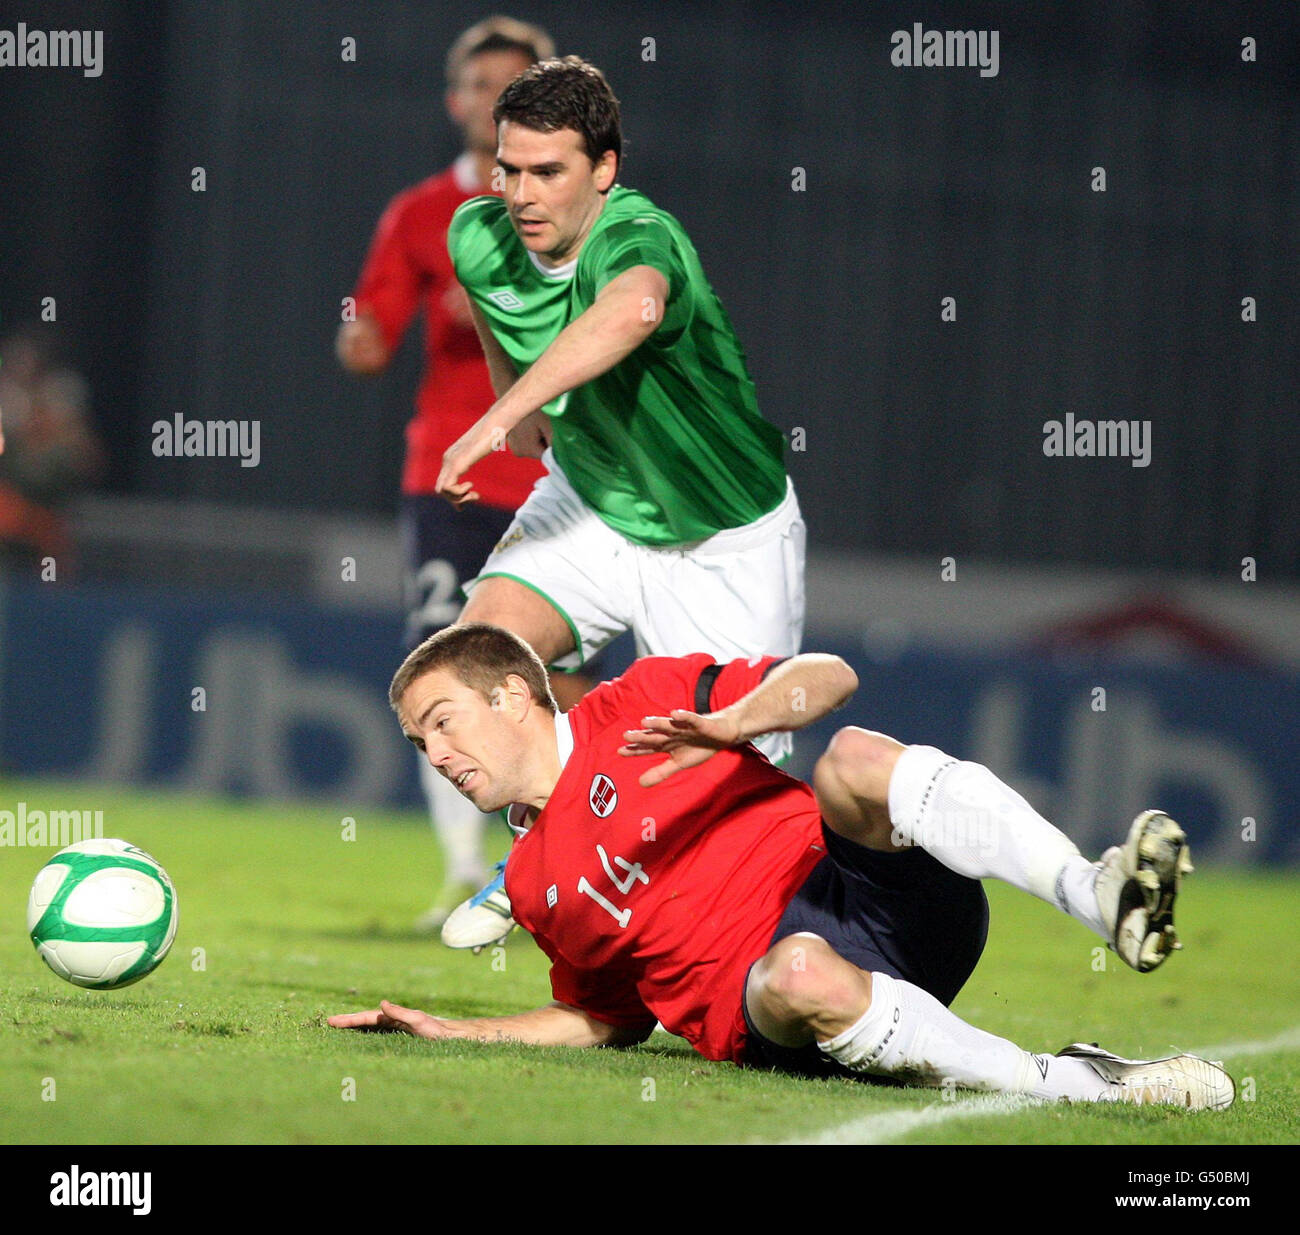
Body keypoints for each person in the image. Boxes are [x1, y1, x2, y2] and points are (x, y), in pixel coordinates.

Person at [329, 623, 1233, 1111]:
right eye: (417, 740)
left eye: (442, 720)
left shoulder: (640, 702)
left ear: (512, 695)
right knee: (798, 969)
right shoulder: (529, 882)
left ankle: (1097, 890)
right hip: (783, 1005)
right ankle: (1082, 1080)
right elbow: (604, 1021)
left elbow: (831, 674)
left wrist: (735, 721)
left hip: (876, 900)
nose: (434, 752)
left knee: (850, 758)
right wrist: (458, 1034)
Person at [432, 56, 807, 948]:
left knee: (724, 794)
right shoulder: (477, 235)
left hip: (719, 539)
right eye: (508, 168)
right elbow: (493, 306)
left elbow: (632, 312)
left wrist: (498, 415)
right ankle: (532, 860)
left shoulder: (641, 237)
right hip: (592, 505)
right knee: (474, 663)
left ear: (603, 170)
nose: (522, 193)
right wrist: (510, 395)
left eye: (548, 172)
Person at [337, 17, 582, 932]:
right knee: (441, 660)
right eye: (482, 86)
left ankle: (555, 860)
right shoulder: (417, 215)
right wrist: (358, 340)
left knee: (564, 682)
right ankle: (465, 867)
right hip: (449, 477)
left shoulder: (579, 209)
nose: (495, 102)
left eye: (515, 86)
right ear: (456, 101)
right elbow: (370, 336)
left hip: (560, 480)